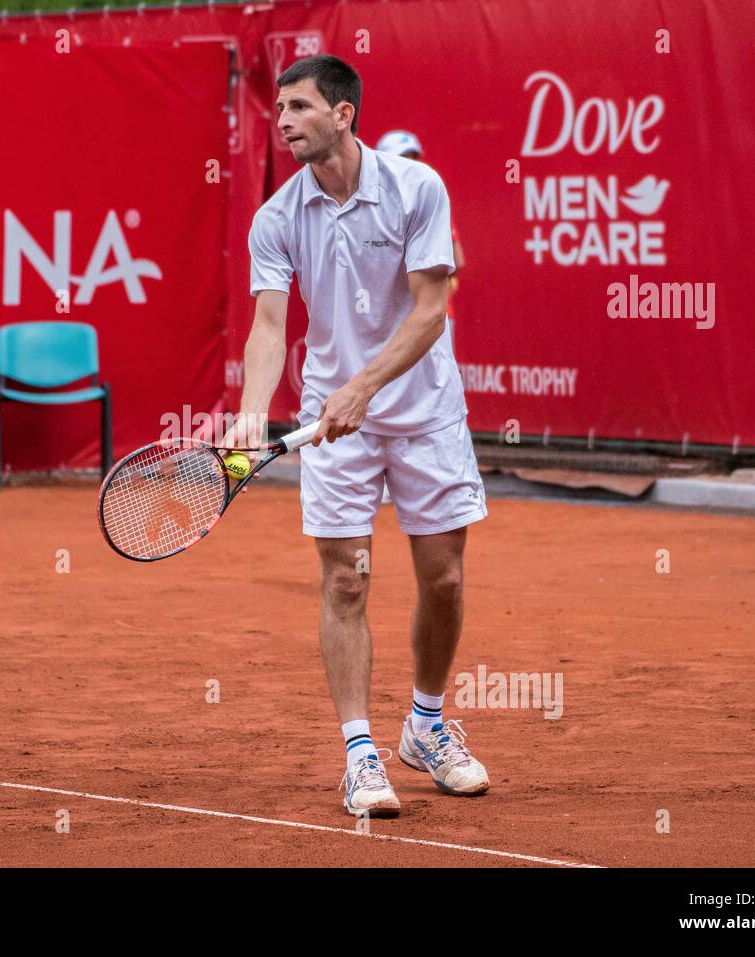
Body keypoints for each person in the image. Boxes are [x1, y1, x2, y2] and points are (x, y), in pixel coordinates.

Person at [226, 54, 490, 817]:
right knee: (346, 579)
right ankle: (360, 752)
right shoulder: (274, 217)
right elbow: (269, 324)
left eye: (299, 107)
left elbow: (431, 308)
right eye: (277, 108)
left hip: (422, 411)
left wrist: (365, 388)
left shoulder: (418, 188)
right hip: (330, 423)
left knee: (443, 576)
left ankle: (428, 727)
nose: (282, 120)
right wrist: (252, 406)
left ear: (343, 115)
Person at [375, 129, 466, 354]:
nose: (410, 167)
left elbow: (457, 260)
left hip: (430, 320)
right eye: (402, 160)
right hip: (384, 323)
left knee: (436, 387)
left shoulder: (430, 203)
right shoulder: (371, 210)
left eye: (413, 160)